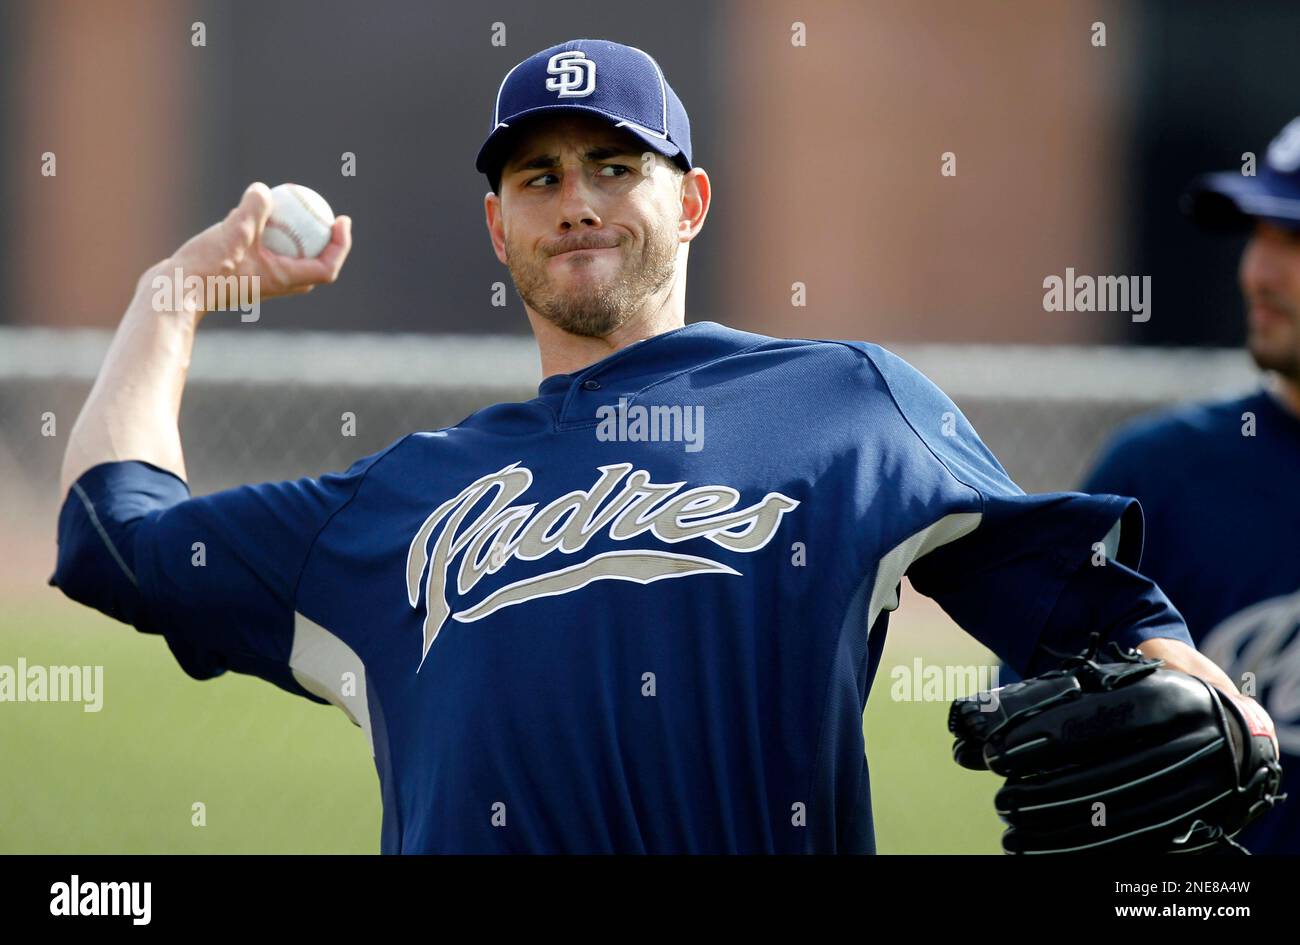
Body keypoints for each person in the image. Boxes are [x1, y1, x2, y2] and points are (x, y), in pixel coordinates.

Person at [50, 38, 1269, 854]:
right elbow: (116, 537)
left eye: (613, 165)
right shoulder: (400, 501)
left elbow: (1087, 608)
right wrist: (175, 290)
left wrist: (1217, 701)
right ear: (496, 227)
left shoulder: (841, 407)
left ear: (688, 201)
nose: (574, 198)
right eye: (537, 176)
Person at [1081, 116, 1300, 854]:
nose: (1257, 273)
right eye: (1258, 234)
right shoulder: (1155, 477)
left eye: (1295, 240)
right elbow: (1038, 717)